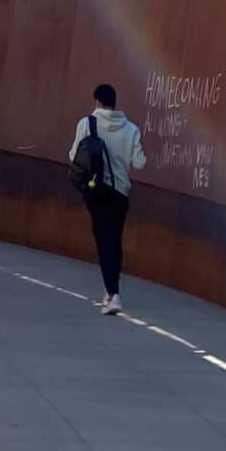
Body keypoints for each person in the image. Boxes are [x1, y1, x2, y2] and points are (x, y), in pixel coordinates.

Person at [70, 82, 146, 315]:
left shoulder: (87, 124)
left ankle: (113, 295)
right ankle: (111, 290)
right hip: (120, 193)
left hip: (96, 191)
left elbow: (74, 155)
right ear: (114, 103)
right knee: (114, 239)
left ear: (98, 102)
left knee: (103, 240)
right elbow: (140, 163)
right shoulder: (131, 129)